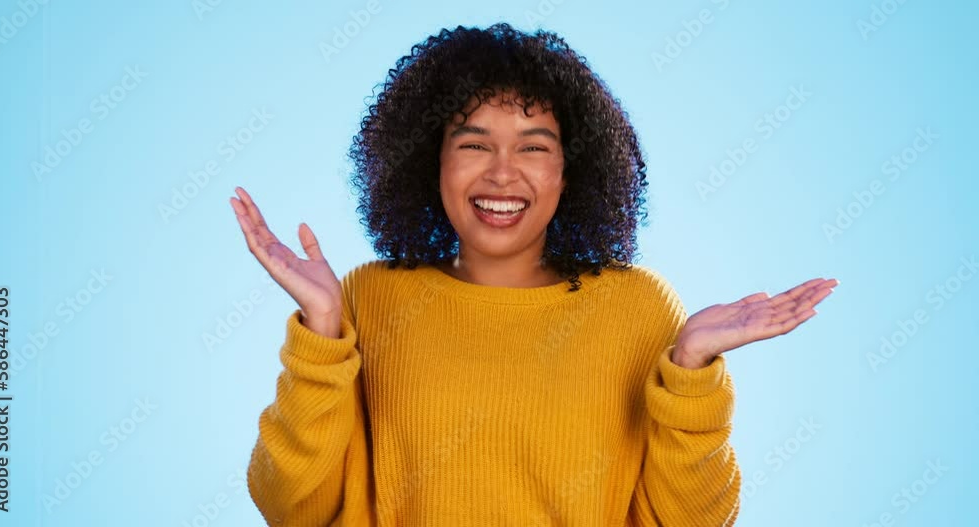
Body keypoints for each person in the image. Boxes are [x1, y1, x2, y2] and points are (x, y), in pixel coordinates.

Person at [230, 22, 838, 526]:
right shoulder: (369, 297)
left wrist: (693, 371)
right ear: (430, 162)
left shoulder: (639, 309)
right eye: (473, 144)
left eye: (534, 146)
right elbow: (291, 508)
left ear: (571, 172)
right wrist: (322, 330)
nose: (502, 174)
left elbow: (694, 520)